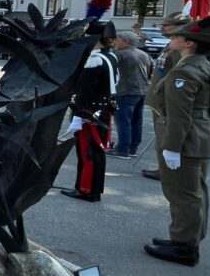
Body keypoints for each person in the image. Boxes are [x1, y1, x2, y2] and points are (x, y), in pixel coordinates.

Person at [143, 10, 210, 266]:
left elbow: (180, 115)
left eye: (178, 34)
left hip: (187, 139)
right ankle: (187, 238)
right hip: (200, 135)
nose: (172, 37)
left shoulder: (185, 71)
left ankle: (184, 247)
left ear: (189, 42)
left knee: (183, 194)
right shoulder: (200, 64)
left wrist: (171, 147)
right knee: (195, 191)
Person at [62, 20, 119, 202]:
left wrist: (79, 114)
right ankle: (93, 189)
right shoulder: (110, 56)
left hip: (90, 112)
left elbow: (85, 92)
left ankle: (86, 189)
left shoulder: (93, 60)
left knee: (87, 152)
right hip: (104, 109)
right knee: (97, 151)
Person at [140, 10, 192, 180]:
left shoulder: (179, 49)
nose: (162, 27)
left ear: (179, 28)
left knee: (166, 135)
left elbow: (179, 74)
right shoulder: (170, 44)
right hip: (160, 99)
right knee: (161, 135)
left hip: (167, 100)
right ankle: (163, 168)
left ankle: (167, 171)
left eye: (166, 25)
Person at [109, 31, 152, 158]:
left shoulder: (119, 54)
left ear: (127, 41)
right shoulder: (144, 54)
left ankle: (123, 149)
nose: (114, 42)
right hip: (142, 91)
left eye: (117, 39)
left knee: (123, 122)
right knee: (136, 121)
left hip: (125, 91)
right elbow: (150, 73)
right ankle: (132, 148)